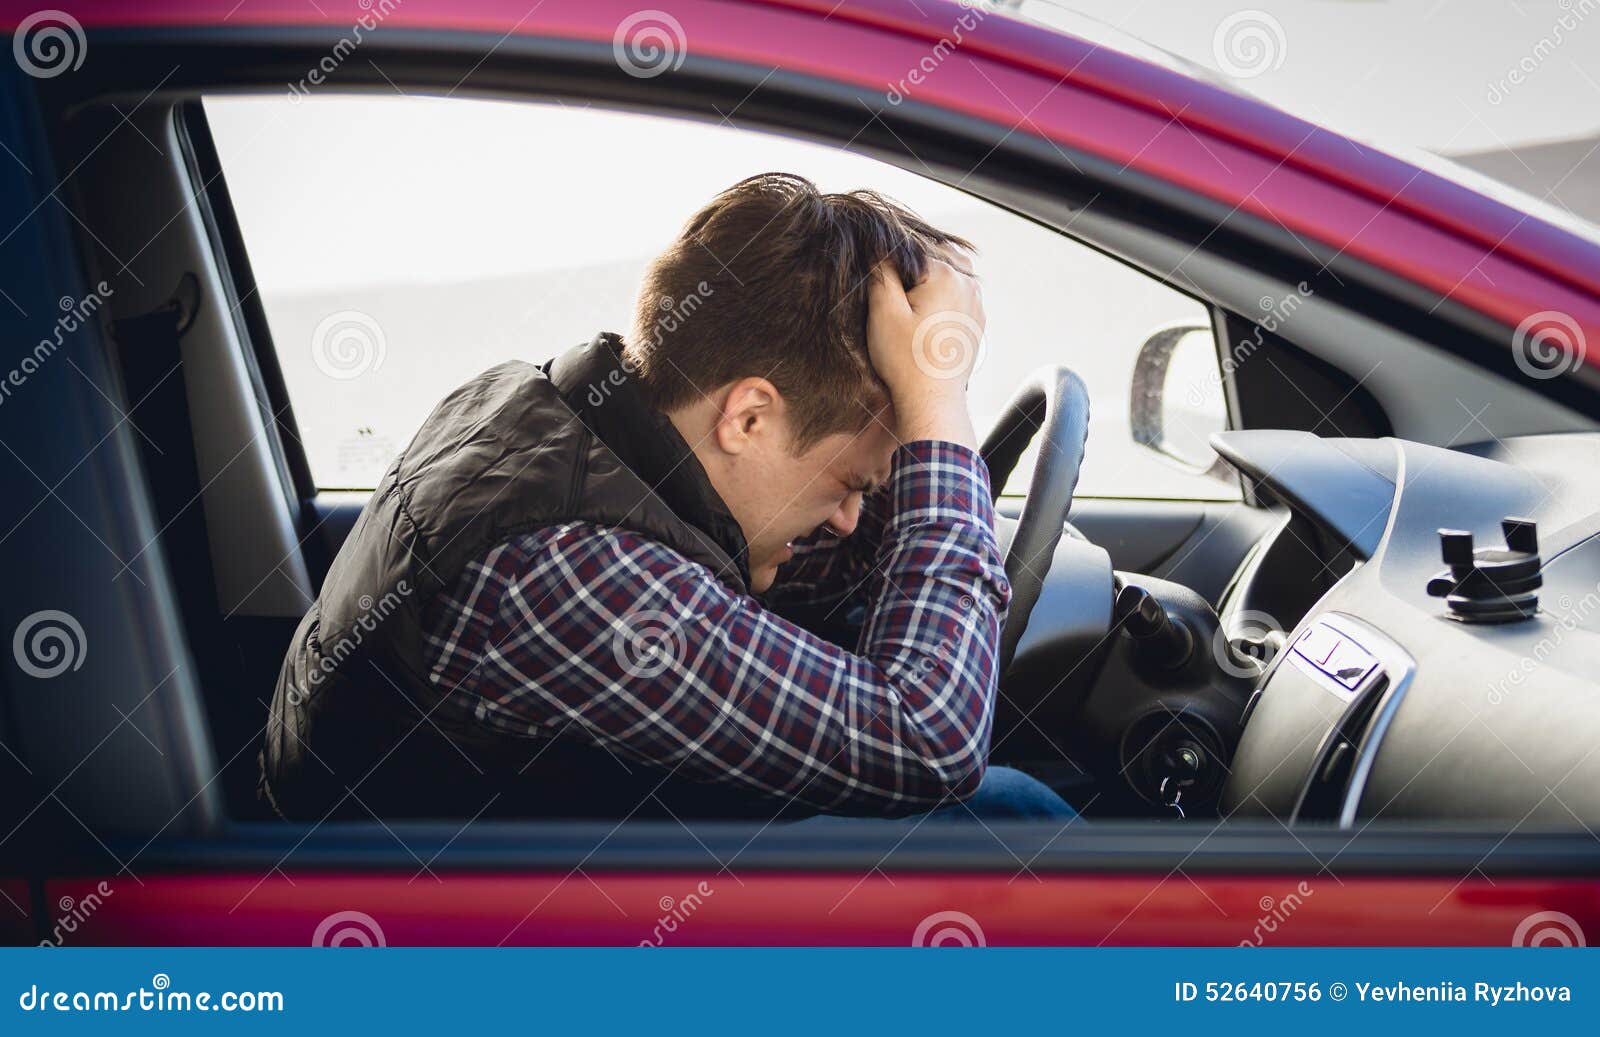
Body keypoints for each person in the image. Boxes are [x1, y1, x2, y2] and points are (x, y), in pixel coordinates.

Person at [261, 172, 1074, 823]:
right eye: (848, 486)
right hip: (450, 933)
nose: (849, 517)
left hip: (538, 848)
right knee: (1017, 817)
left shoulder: (566, 412)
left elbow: (828, 565)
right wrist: (937, 414)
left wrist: (919, 403)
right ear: (748, 417)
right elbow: (931, 745)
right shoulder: (574, 572)